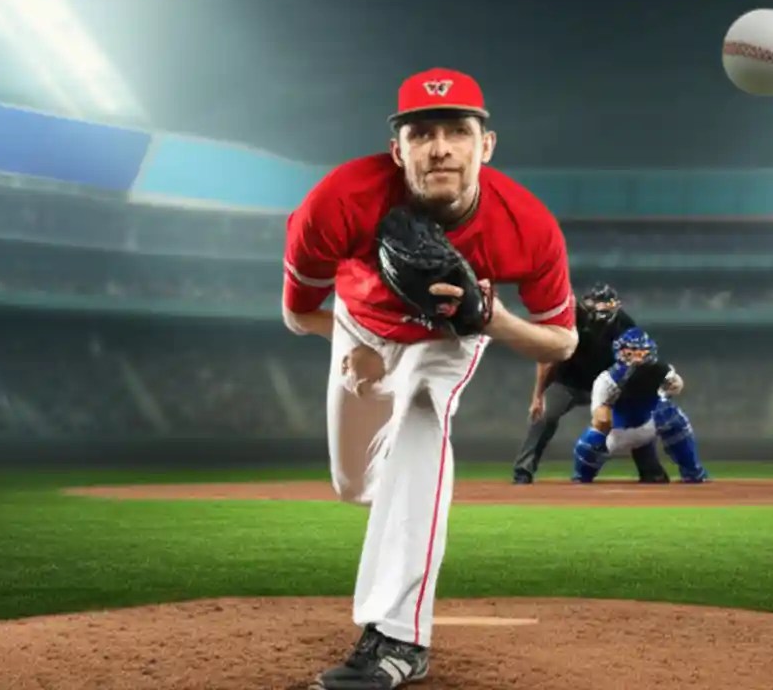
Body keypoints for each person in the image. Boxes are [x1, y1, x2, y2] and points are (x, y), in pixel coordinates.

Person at [282, 67, 578, 690]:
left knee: (423, 411)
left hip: (451, 336)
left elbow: (563, 340)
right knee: (354, 482)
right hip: (358, 330)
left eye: (456, 131)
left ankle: (397, 637)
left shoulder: (526, 224)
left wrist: (493, 320)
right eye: (421, 134)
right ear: (398, 150)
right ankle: (403, 484)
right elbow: (296, 309)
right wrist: (345, 340)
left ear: (485, 145)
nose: (439, 147)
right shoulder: (338, 201)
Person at [511, 283, 672, 483]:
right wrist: (538, 395)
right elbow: (548, 356)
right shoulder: (571, 319)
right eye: (597, 304)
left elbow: (639, 362)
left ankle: (650, 470)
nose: (602, 309)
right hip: (568, 381)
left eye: (606, 304)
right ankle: (523, 471)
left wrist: (638, 392)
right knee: (544, 415)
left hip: (608, 384)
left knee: (634, 416)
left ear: (616, 305)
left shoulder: (626, 326)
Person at [572, 327, 709, 483]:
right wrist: (619, 397)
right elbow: (600, 421)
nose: (637, 356)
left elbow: (677, 385)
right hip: (617, 434)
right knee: (591, 441)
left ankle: (693, 473)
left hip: (647, 425)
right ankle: (581, 477)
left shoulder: (661, 370)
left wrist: (653, 391)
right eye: (631, 351)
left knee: (670, 414)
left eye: (641, 351)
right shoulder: (606, 380)